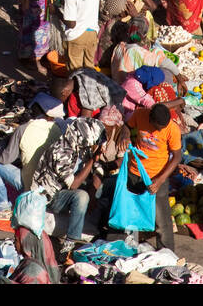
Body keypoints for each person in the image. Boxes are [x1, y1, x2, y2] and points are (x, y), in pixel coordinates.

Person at [30, 116, 105, 248]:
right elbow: (74, 184)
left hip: (66, 190)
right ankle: (71, 241)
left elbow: (97, 168)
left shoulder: (81, 146)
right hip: (51, 197)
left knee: (101, 186)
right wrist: (93, 159)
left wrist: (93, 190)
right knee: (82, 196)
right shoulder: (61, 151)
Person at [119, 104, 182, 248]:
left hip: (157, 175)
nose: (160, 129)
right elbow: (127, 126)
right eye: (158, 126)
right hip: (135, 172)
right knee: (132, 212)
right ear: (150, 118)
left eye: (163, 127)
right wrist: (125, 136)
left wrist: (160, 180)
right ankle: (130, 247)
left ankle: (167, 253)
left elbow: (177, 157)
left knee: (162, 221)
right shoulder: (139, 115)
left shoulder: (172, 129)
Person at [59, 0, 102, 72]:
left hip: (76, 36)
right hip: (92, 33)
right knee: (89, 71)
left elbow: (71, 24)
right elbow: (98, 2)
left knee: (75, 72)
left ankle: (77, 90)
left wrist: (56, 12)